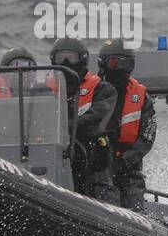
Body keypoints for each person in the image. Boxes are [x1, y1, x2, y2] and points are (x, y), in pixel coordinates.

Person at [48, 37, 117, 203]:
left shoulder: (102, 90)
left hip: (91, 160)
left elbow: (96, 120)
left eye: (70, 57)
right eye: (61, 58)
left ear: (83, 59)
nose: (65, 62)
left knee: (103, 191)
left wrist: (65, 128)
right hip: (52, 156)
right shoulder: (43, 89)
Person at [97, 38, 156, 211]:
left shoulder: (141, 98)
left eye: (126, 64)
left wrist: (122, 161)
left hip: (127, 169)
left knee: (133, 202)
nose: (120, 69)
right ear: (103, 63)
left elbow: (147, 136)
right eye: (115, 63)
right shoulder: (91, 91)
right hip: (96, 167)